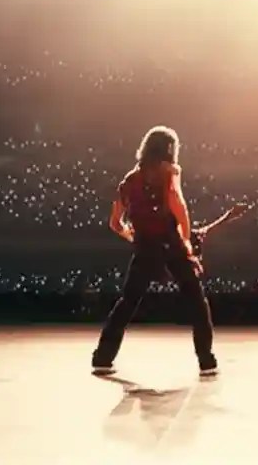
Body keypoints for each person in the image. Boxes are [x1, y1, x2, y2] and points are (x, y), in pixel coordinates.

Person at [92, 126, 225, 377]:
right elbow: (178, 203)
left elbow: (114, 223)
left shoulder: (128, 181)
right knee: (197, 302)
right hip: (171, 243)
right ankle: (206, 361)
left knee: (128, 301)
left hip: (145, 246)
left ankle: (102, 357)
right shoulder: (169, 172)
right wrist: (185, 241)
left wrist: (133, 235)